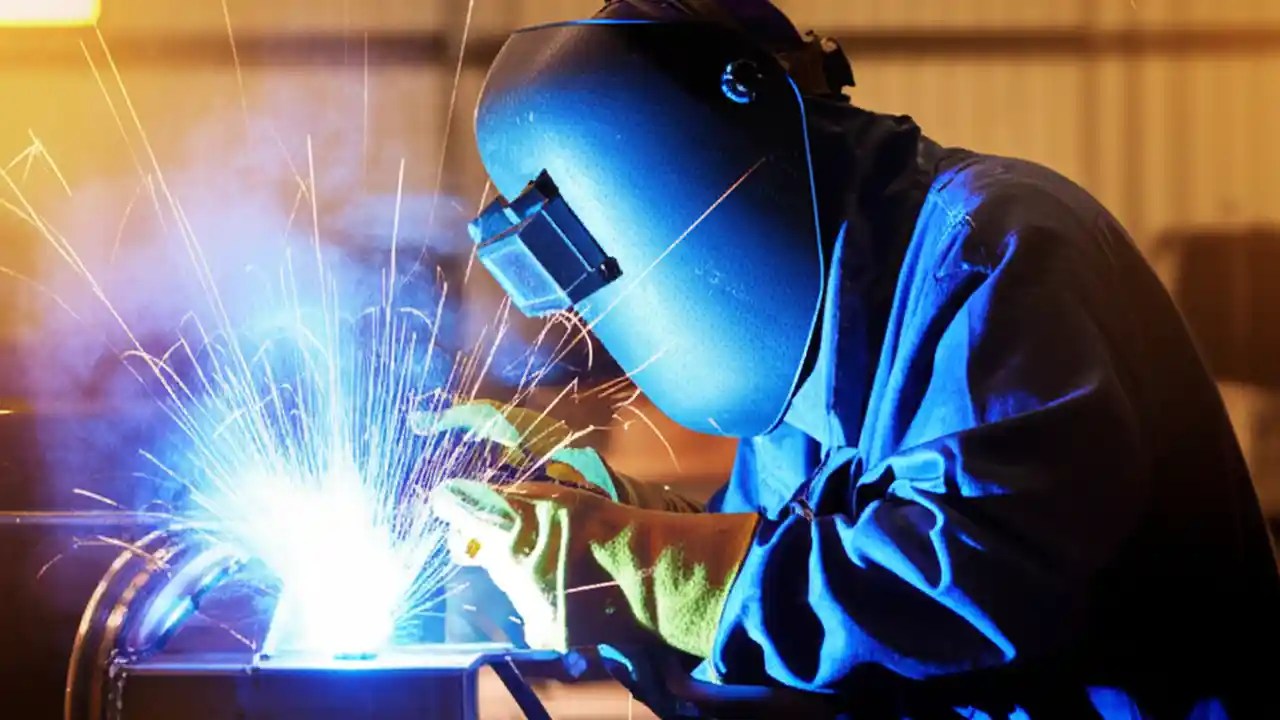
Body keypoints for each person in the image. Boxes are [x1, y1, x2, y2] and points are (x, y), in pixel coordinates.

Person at [418, 1, 1280, 717]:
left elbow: (970, 588)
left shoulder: (992, 255)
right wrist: (604, 514)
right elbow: (791, 614)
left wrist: (643, 564)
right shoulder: (801, 348)